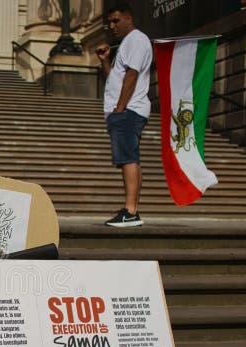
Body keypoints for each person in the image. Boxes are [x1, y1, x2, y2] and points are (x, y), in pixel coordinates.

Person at [96, 2, 152, 228]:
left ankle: (130, 210)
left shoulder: (136, 40)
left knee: (128, 159)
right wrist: (106, 62)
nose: (112, 26)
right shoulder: (127, 43)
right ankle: (132, 209)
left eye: (116, 20)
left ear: (129, 18)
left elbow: (132, 75)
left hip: (128, 110)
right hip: (127, 110)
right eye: (109, 22)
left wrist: (119, 109)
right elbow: (116, 80)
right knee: (132, 160)